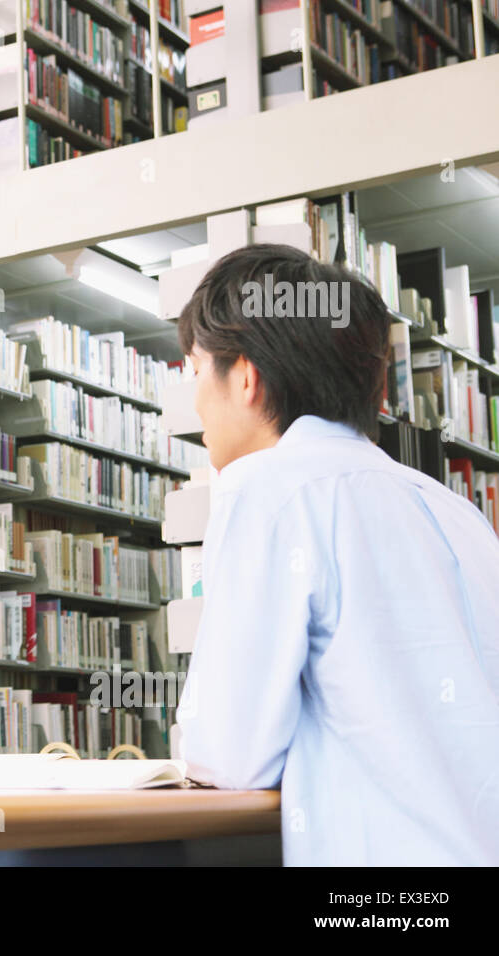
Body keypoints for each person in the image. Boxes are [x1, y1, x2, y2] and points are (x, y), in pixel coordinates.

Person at [173, 243, 499, 865]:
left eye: (195, 372)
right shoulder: (455, 509)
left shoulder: (269, 490)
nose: (194, 404)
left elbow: (231, 752)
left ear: (244, 376)